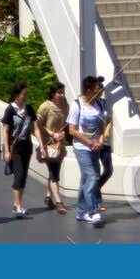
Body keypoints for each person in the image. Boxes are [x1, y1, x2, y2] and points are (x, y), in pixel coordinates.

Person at [67, 75, 111, 227]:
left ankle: (81, 212)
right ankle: (93, 211)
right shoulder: (76, 105)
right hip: (82, 148)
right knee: (92, 177)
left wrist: (99, 141)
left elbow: (102, 124)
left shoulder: (99, 104)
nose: (101, 91)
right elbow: (72, 130)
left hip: (95, 146)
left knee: (87, 179)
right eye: (98, 88)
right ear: (89, 90)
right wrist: (89, 142)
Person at [1, 82, 36, 218]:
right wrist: (6, 150)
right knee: (19, 175)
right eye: (24, 94)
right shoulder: (10, 109)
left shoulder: (29, 109)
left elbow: (35, 127)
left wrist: (42, 145)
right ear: (17, 94)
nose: (26, 96)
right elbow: (5, 130)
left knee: (23, 177)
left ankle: (19, 204)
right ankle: (16, 205)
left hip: (27, 146)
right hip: (14, 147)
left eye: (27, 94)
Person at [35, 82, 69, 213]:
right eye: (59, 92)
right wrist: (51, 133)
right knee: (54, 173)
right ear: (53, 93)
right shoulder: (45, 107)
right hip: (48, 144)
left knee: (55, 172)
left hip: (59, 144)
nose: (61, 95)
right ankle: (59, 202)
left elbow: (66, 122)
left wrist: (63, 133)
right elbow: (37, 124)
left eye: (62, 92)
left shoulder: (64, 106)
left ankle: (48, 197)